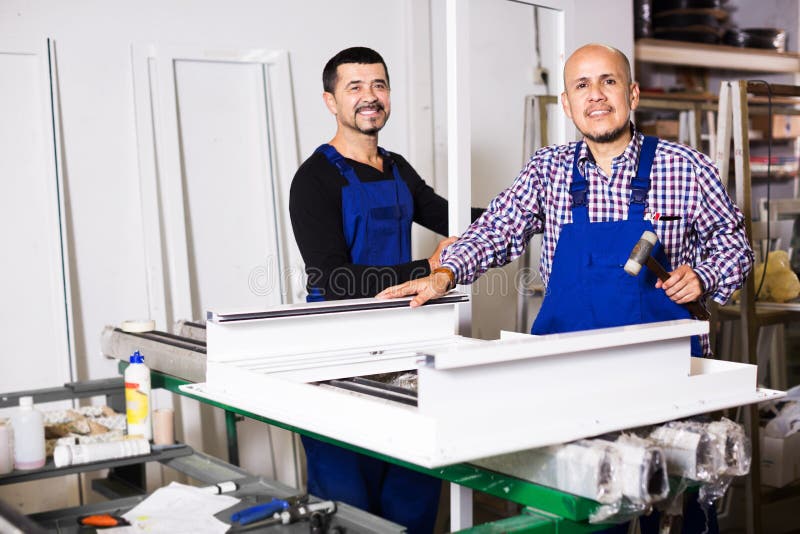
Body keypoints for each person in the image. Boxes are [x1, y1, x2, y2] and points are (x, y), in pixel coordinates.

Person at [377, 43, 754, 532]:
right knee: (589, 509)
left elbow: (735, 248)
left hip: (669, 380)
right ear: (568, 102)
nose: (595, 95)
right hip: (575, 380)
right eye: (582, 86)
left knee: (682, 505)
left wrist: (703, 275)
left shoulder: (688, 169)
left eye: (609, 81)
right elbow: (496, 229)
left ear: (633, 93)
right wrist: (446, 272)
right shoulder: (548, 171)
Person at [289, 46, 478, 533]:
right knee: (347, 506)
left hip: (407, 348)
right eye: (354, 87)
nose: (369, 97)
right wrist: (426, 266)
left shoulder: (396, 168)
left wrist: (525, 215)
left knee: (413, 490)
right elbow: (333, 280)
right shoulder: (313, 180)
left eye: (378, 85)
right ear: (331, 101)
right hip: (337, 355)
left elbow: (448, 216)